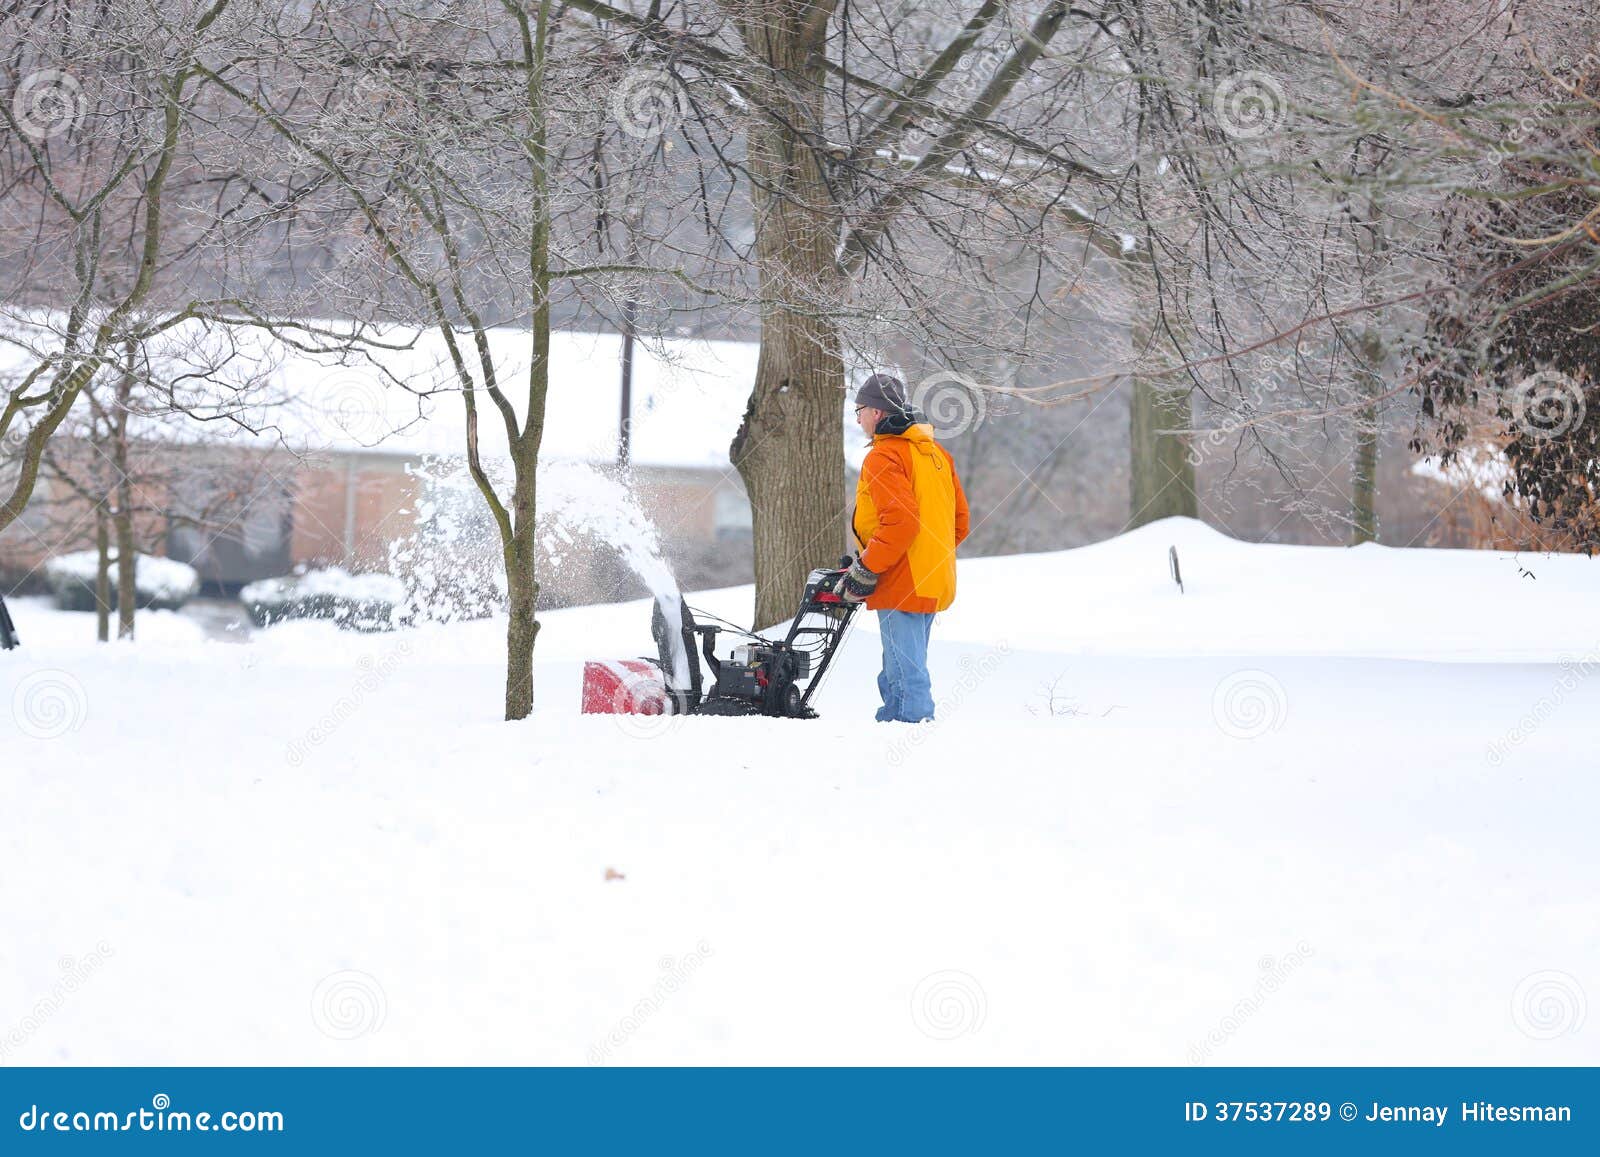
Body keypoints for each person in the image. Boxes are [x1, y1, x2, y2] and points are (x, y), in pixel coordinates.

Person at [836, 373, 969, 722]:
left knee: (907, 674)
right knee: (898, 666)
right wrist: (930, 554)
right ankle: (892, 724)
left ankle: (913, 729)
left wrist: (868, 567)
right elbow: (960, 522)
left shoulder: (884, 457)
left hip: (902, 577)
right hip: (933, 576)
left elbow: (901, 522)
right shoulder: (937, 454)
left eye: (860, 410)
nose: (859, 418)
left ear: (877, 413)